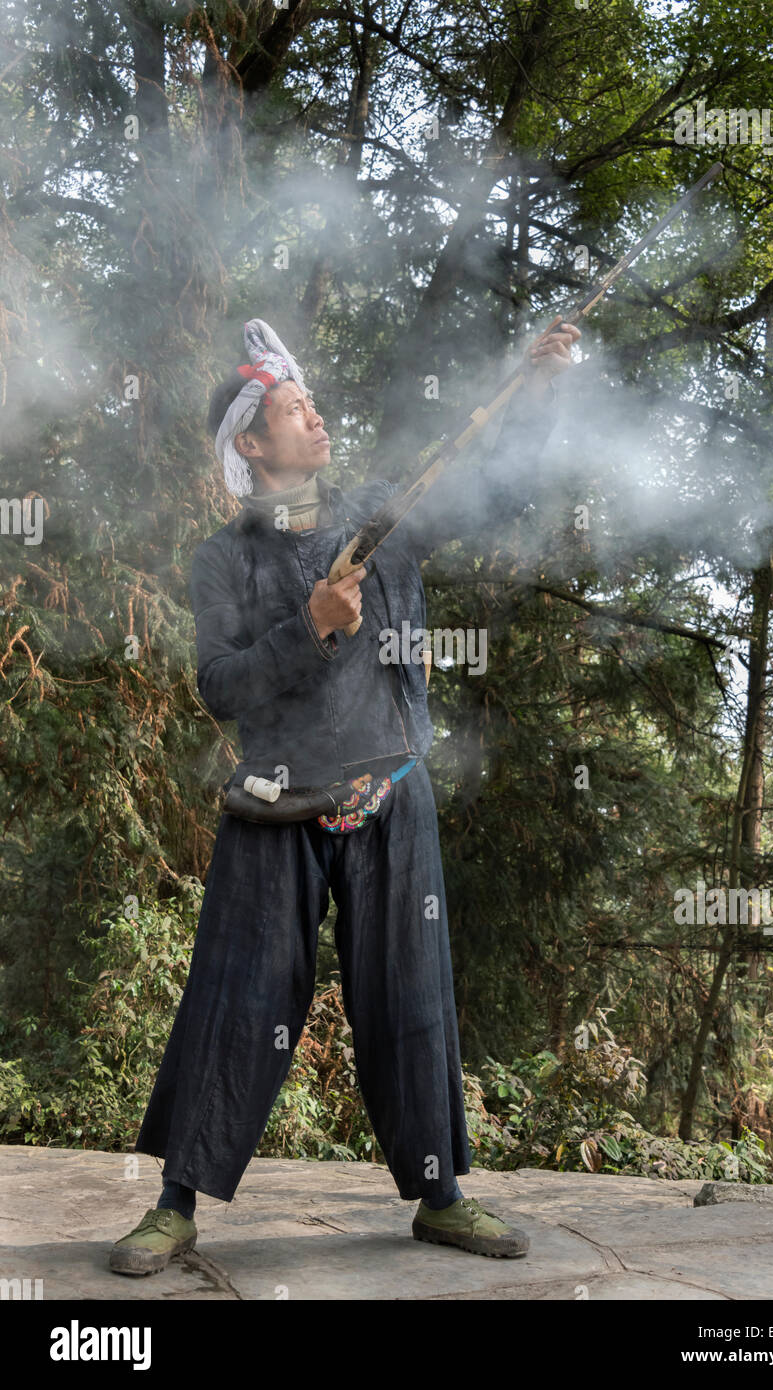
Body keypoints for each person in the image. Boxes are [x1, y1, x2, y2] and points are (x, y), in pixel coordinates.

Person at [109, 315, 579, 1276]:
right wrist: (312, 625)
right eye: (292, 407)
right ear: (251, 443)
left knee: (410, 998)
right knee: (237, 1000)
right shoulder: (225, 560)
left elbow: (482, 478)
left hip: (392, 799)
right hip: (273, 806)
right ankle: (173, 1205)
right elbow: (219, 687)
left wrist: (533, 387)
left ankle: (442, 1197)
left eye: (313, 402)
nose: (314, 416)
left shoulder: (383, 515)